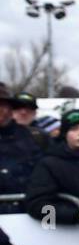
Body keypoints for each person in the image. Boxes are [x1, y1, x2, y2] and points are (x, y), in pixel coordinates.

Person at [23, 108, 79, 226]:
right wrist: (74, 216)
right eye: (74, 129)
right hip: (64, 237)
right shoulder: (49, 164)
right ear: (65, 134)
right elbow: (36, 205)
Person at [0, 84, 43, 213]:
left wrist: (49, 223)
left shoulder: (37, 138)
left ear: (10, 108)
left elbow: (51, 180)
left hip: (29, 214)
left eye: (3, 105)